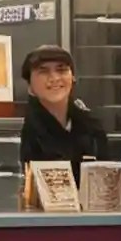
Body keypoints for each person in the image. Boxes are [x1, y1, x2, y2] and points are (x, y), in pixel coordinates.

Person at [18, 45, 108, 181]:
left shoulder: (93, 127)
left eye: (61, 70)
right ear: (30, 87)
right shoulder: (22, 133)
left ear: (72, 78)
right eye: (43, 71)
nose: (54, 78)